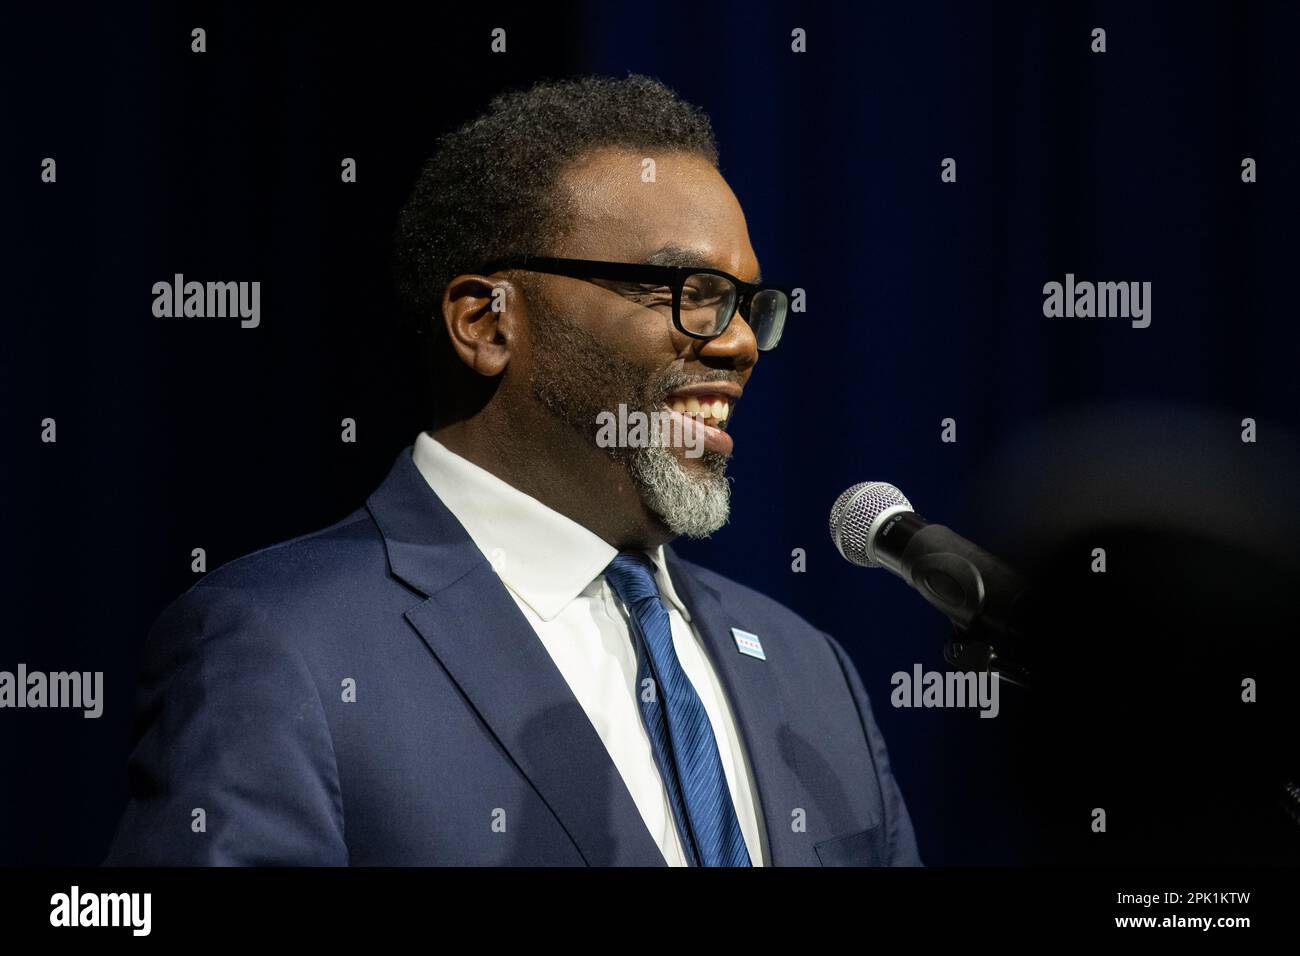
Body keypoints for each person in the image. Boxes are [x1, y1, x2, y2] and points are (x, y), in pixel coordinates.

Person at [104, 74, 921, 866]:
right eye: (691, 291)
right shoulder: (282, 651)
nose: (739, 342)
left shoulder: (813, 674)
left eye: (748, 304)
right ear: (486, 322)